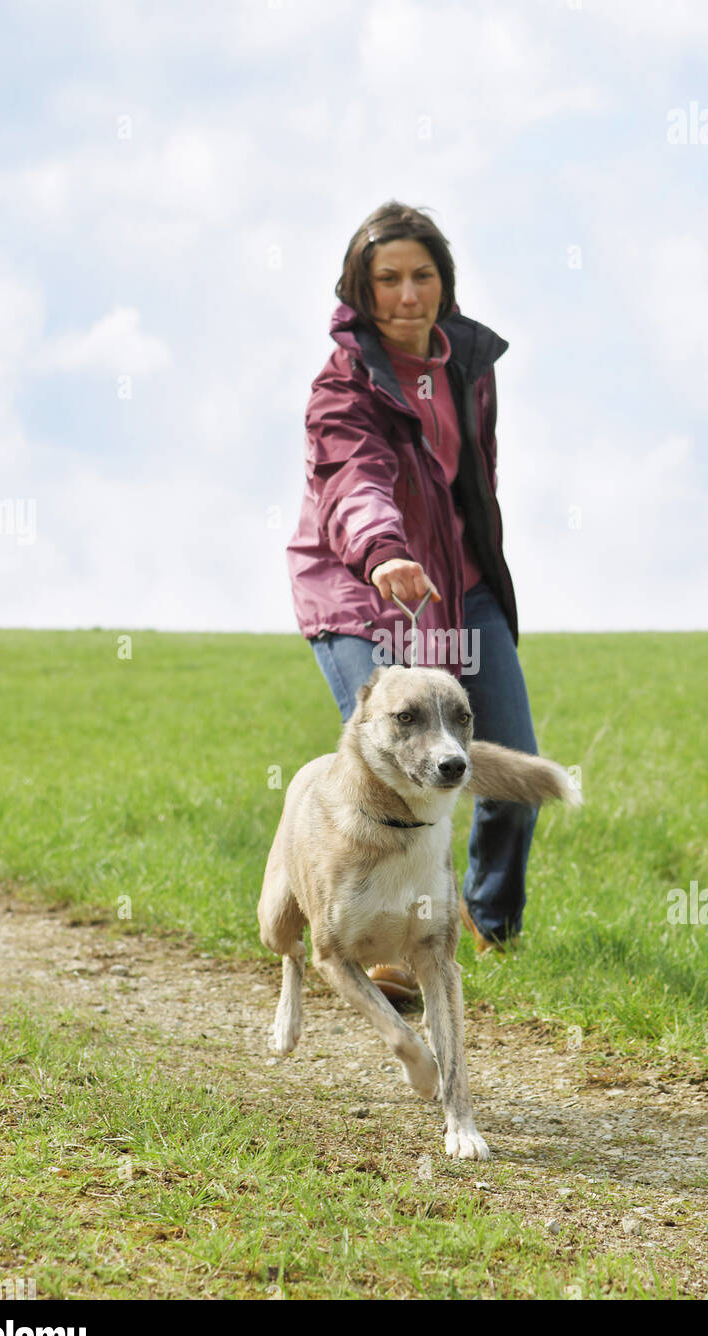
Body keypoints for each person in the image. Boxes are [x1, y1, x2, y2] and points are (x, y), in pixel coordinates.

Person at [286, 200, 541, 1004]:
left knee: (511, 772)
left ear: (444, 280)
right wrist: (386, 550)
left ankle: (487, 930)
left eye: (421, 275)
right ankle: (373, 942)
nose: (406, 294)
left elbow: (470, 482)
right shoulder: (341, 385)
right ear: (360, 290)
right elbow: (353, 479)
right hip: (359, 588)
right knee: (396, 772)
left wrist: (453, 572)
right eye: (386, 279)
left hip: (457, 586)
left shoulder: (467, 361)